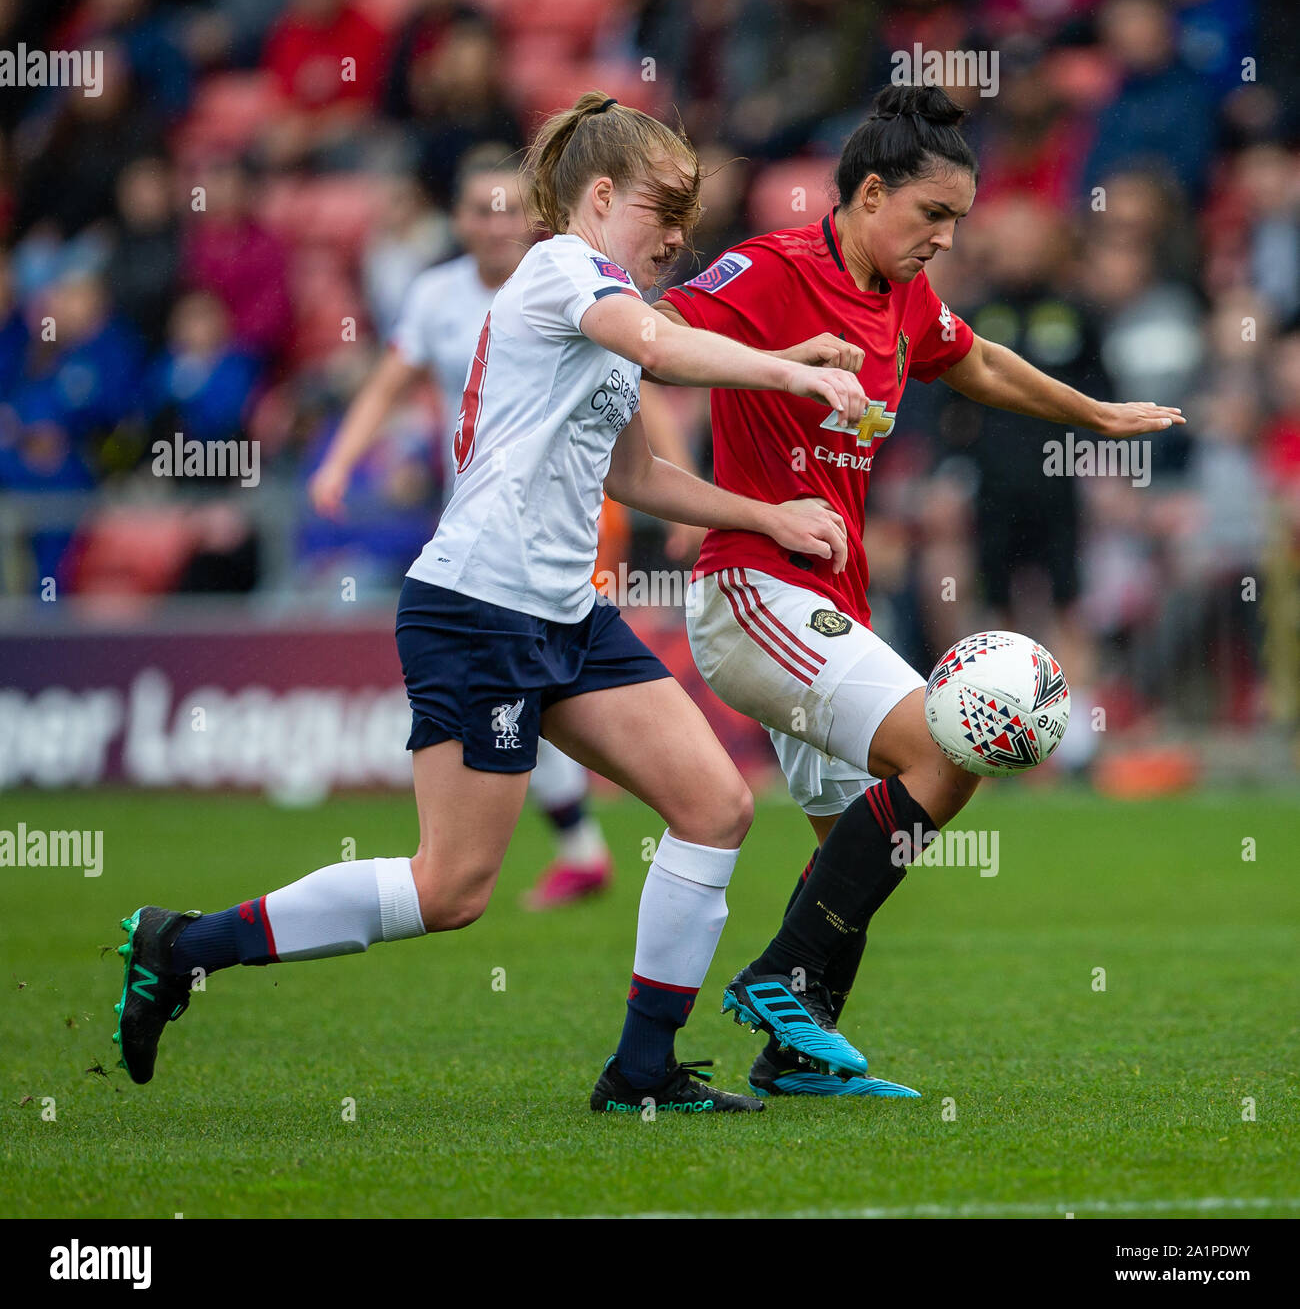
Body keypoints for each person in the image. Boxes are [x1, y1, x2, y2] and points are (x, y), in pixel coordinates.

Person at [112, 91, 868, 1115]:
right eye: (666, 208)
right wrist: (788, 372)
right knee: (451, 890)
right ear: (599, 196)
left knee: (715, 805)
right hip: (478, 610)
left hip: (563, 613)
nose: (682, 235)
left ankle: (641, 1069)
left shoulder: (604, 307)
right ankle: (186, 945)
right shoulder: (562, 268)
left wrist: (767, 515)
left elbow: (637, 474)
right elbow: (659, 348)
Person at [656, 82, 1185, 1098]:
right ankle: (779, 979)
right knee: (954, 746)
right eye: (930, 214)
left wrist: (1094, 414)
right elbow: (651, 338)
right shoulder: (770, 271)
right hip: (754, 587)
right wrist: (778, 364)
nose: (944, 237)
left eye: (957, 219)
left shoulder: (904, 298)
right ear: (865, 195)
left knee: (853, 833)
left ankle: (795, 1054)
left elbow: (973, 357)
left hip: (829, 603)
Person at [310, 146, 618, 910]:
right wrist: (339, 463)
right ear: (457, 220)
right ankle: (580, 847)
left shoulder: (567, 283)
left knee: (528, 676)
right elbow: (390, 382)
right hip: (474, 520)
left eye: (509, 206)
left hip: (563, 512)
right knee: (521, 681)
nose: (495, 222)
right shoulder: (437, 295)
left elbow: (637, 378)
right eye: (480, 208)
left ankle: (579, 845)